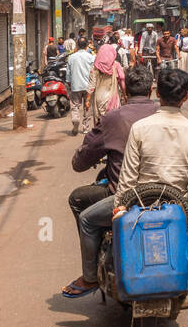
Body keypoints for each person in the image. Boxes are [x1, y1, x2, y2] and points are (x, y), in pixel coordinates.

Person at [64, 68, 188, 300]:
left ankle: (90, 277)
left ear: (158, 93)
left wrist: (120, 207)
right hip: (176, 204)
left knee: (87, 219)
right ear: (185, 97)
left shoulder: (140, 128)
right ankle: (182, 283)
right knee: (187, 233)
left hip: (136, 201)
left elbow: (128, 176)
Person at [67, 65, 158, 230]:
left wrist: (80, 156)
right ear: (151, 90)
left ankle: (93, 247)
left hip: (124, 196)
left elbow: (82, 160)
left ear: (125, 91)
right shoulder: (163, 115)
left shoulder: (113, 118)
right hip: (163, 193)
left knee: (77, 201)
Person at [89, 43, 124, 128]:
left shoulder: (95, 67)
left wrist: (87, 100)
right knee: (113, 123)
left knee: (100, 123)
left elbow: (91, 86)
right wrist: (125, 94)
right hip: (112, 98)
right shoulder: (116, 65)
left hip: (98, 99)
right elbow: (122, 79)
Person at [66, 37, 95, 136]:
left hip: (76, 85)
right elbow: (93, 73)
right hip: (88, 86)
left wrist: (70, 84)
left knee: (75, 105)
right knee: (87, 106)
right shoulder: (91, 57)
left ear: (77, 46)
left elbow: (68, 74)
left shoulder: (71, 57)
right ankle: (86, 127)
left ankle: (75, 119)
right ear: (87, 46)